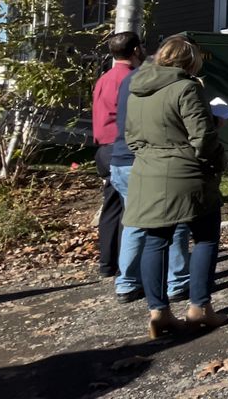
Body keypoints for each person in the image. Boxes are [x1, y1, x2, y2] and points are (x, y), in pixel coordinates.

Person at [124, 35, 227, 338]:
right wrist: (219, 157)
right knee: (206, 238)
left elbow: (131, 138)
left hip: (147, 173)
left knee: (155, 242)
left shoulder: (136, 91)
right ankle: (199, 309)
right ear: (189, 60)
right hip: (188, 174)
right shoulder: (187, 87)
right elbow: (203, 139)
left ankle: (159, 313)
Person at [106, 33, 190, 305]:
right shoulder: (170, 84)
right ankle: (177, 282)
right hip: (146, 161)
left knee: (135, 223)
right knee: (175, 222)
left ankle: (127, 284)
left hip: (120, 159)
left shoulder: (131, 80)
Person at [92, 32, 140, 279]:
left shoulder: (104, 79)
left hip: (102, 149)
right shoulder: (130, 79)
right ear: (136, 50)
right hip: (122, 148)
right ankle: (127, 267)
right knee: (130, 210)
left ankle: (107, 263)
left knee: (111, 208)